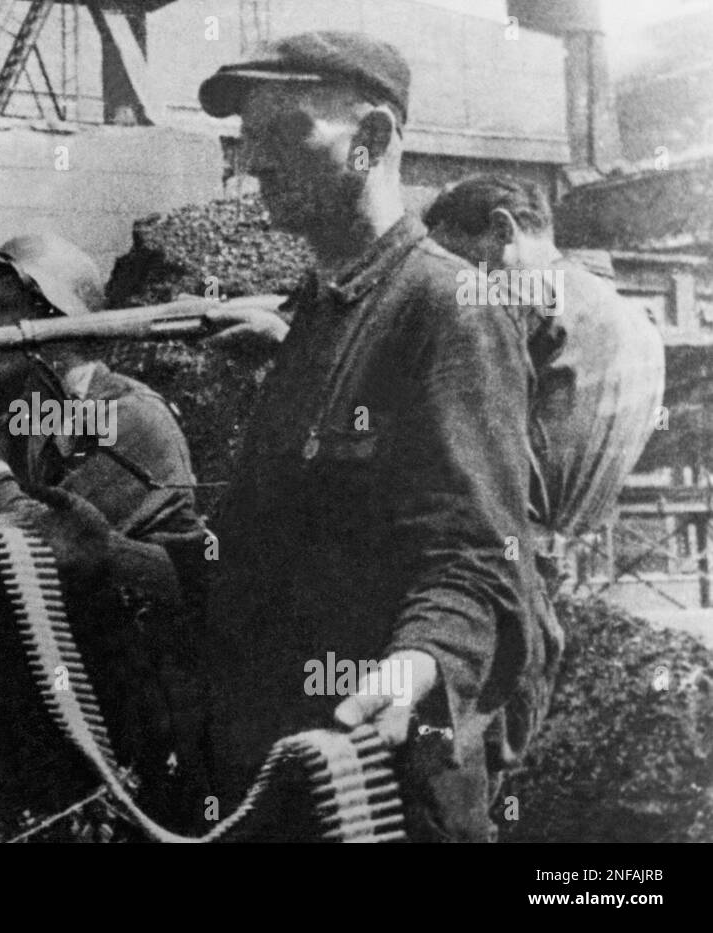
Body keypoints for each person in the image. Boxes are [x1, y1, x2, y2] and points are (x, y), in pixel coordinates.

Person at [192, 31, 548, 841]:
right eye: (247, 139)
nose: (255, 163)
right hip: (289, 769)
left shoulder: (450, 310)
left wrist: (421, 658)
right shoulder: (317, 317)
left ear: (374, 141)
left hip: (389, 787)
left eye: (286, 133)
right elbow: (261, 552)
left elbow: (478, 556)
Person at [0, 233, 213, 834]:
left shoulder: (130, 415)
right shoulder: (32, 416)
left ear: (60, 316)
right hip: (48, 678)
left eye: (11, 306)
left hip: (130, 707)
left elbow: (38, 551)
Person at [424, 173, 666, 769]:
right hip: (555, 560)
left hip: (496, 559)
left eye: (462, 263)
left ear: (504, 232)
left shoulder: (527, 298)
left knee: (447, 764)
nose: (460, 285)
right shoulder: (632, 320)